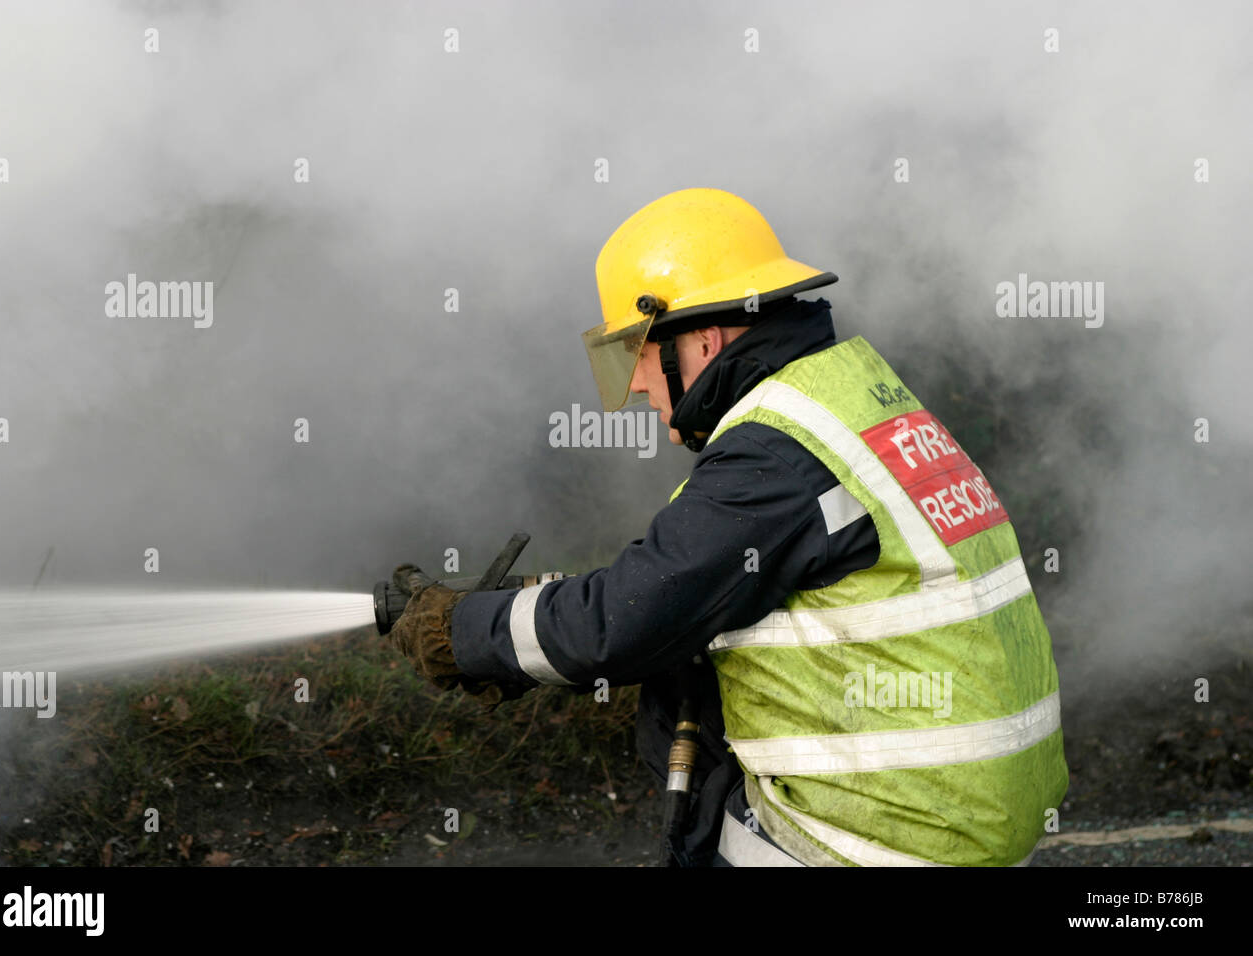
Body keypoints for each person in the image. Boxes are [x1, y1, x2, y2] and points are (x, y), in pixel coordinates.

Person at [388, 187, 1069, 866]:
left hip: (894, 838)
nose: (639, 392)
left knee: (696, 794)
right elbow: (690, 586)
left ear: (701, 339)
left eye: (637, 356)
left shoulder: (775, 448)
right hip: (974, 813)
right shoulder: (850, 395)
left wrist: (461, 632)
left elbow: (621, 624)